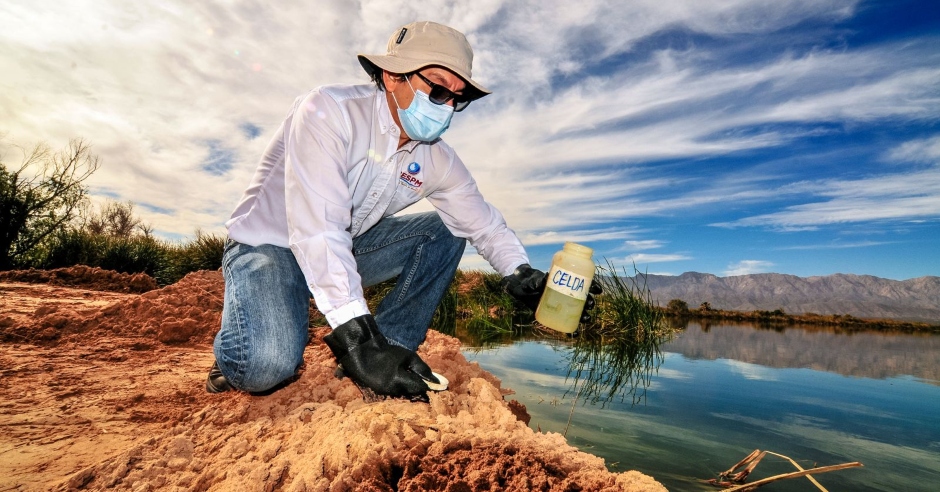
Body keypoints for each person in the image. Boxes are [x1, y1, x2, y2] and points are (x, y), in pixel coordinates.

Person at [206, 20, 599, 401]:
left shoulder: (438, 159)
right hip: (269, 245)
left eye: (457, 98)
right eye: (438, 90)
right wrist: (357, 340)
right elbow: (319, 229)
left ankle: (388, 348)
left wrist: (521, 272)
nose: (446, 107)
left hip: (350, 246)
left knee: (447, 230)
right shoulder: (328, 111)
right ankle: (238, 349)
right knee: (265, 368)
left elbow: (484, 224)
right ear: (394, 76)